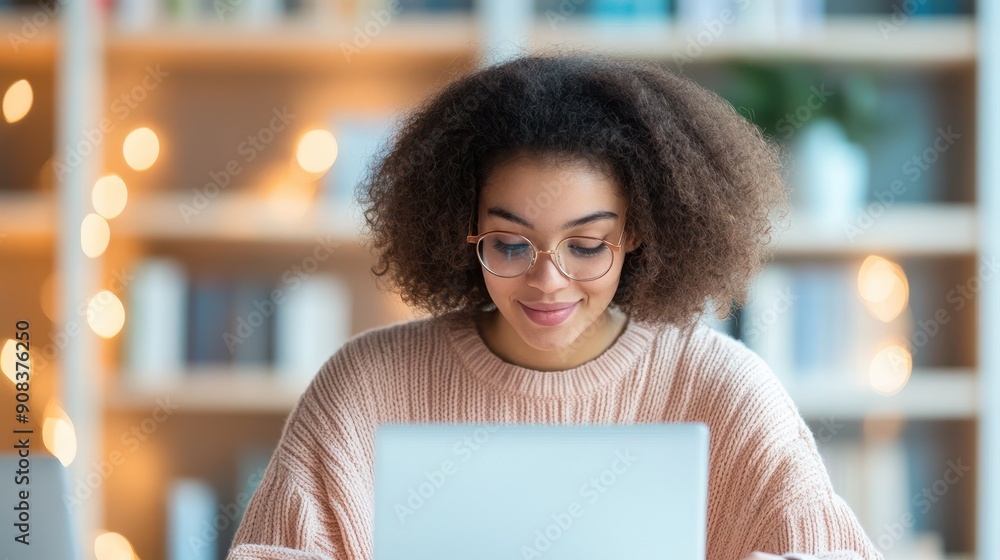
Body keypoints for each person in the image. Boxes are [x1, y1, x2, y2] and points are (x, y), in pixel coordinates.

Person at [226, 51, 883, 560]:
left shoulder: (723, 388)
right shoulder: (365, 386)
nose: (548, 281)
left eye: (587, 245)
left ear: (636, 233)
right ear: (465, 230)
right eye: (510, 244)